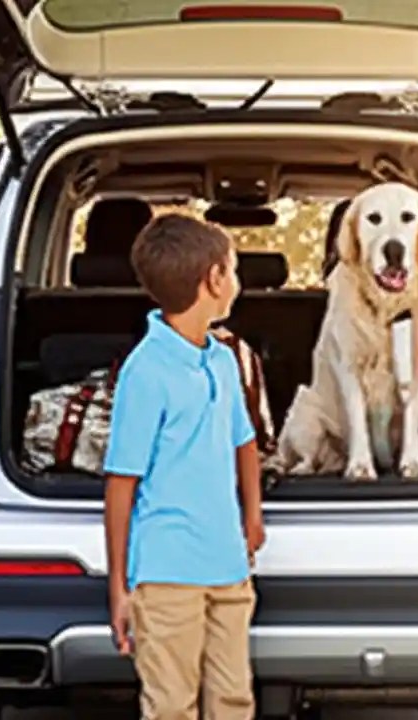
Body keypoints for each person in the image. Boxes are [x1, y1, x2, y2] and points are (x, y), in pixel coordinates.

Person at [103, 214, 267, 720]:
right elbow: (121, 483)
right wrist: (119, 587)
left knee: (234, 700)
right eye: (234, 270)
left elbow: (245, 441)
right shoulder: (145, 370)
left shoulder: (222, 359)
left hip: (228, 569)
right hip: (165, 573)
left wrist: (253, 516)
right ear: (215, 280)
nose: (237, 281)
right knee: (172, 705)